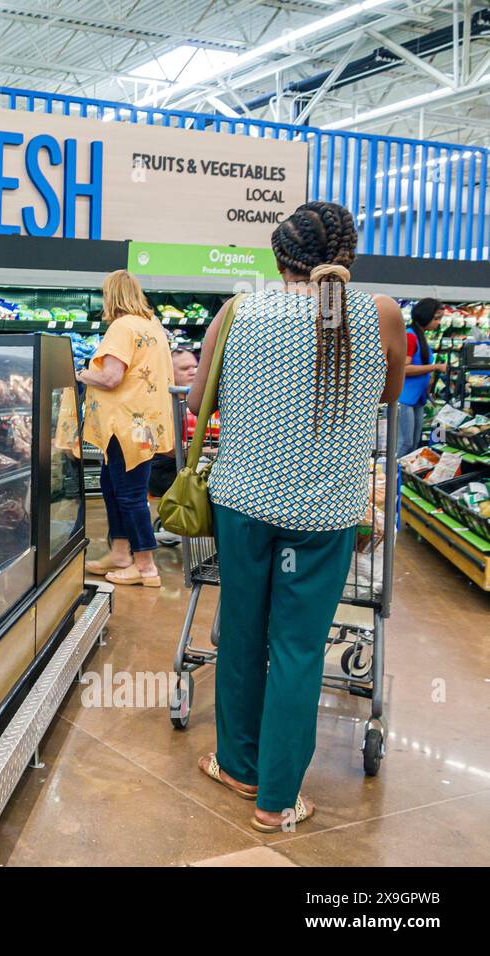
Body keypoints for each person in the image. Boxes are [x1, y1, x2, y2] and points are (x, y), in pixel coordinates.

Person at [190, 201, 406, 832]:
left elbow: (204, 391)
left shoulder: (238, 310)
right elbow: (388, 393)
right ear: (348, 256)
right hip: (325, 510)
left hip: (243, 503)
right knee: (297, 649)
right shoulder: (382, 314)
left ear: (277, 255)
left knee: (241, 634)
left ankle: (237, 765)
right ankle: (275, 800)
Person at [77, 270, 174, 587]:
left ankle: (145, 566)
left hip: (125, 424)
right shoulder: (152, 325)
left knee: (130, 494)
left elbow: (110, 378)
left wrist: (79, 373)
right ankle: (120, 554)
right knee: (112, 485)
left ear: (111, 296)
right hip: (143, 424)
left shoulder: (122, 327)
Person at [148, 347, 199, 545]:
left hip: (184, 465)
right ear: (169, 373)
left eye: (196, 366)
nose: (193, 371)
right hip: (164, 471)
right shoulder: (162, 407)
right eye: (185, 368)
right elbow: (168, 448)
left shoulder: (192, 401)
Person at [396, 298, 446, 458]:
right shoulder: (410, 336)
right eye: (436, 318)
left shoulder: (420, 336)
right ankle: (393, 479)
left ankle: (405, 478)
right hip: (405, 399)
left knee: (416, 442)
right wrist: (435, 367)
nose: (438, 323)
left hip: (417, 398)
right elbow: (403, 368)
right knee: (406, 443)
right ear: (426, 316)